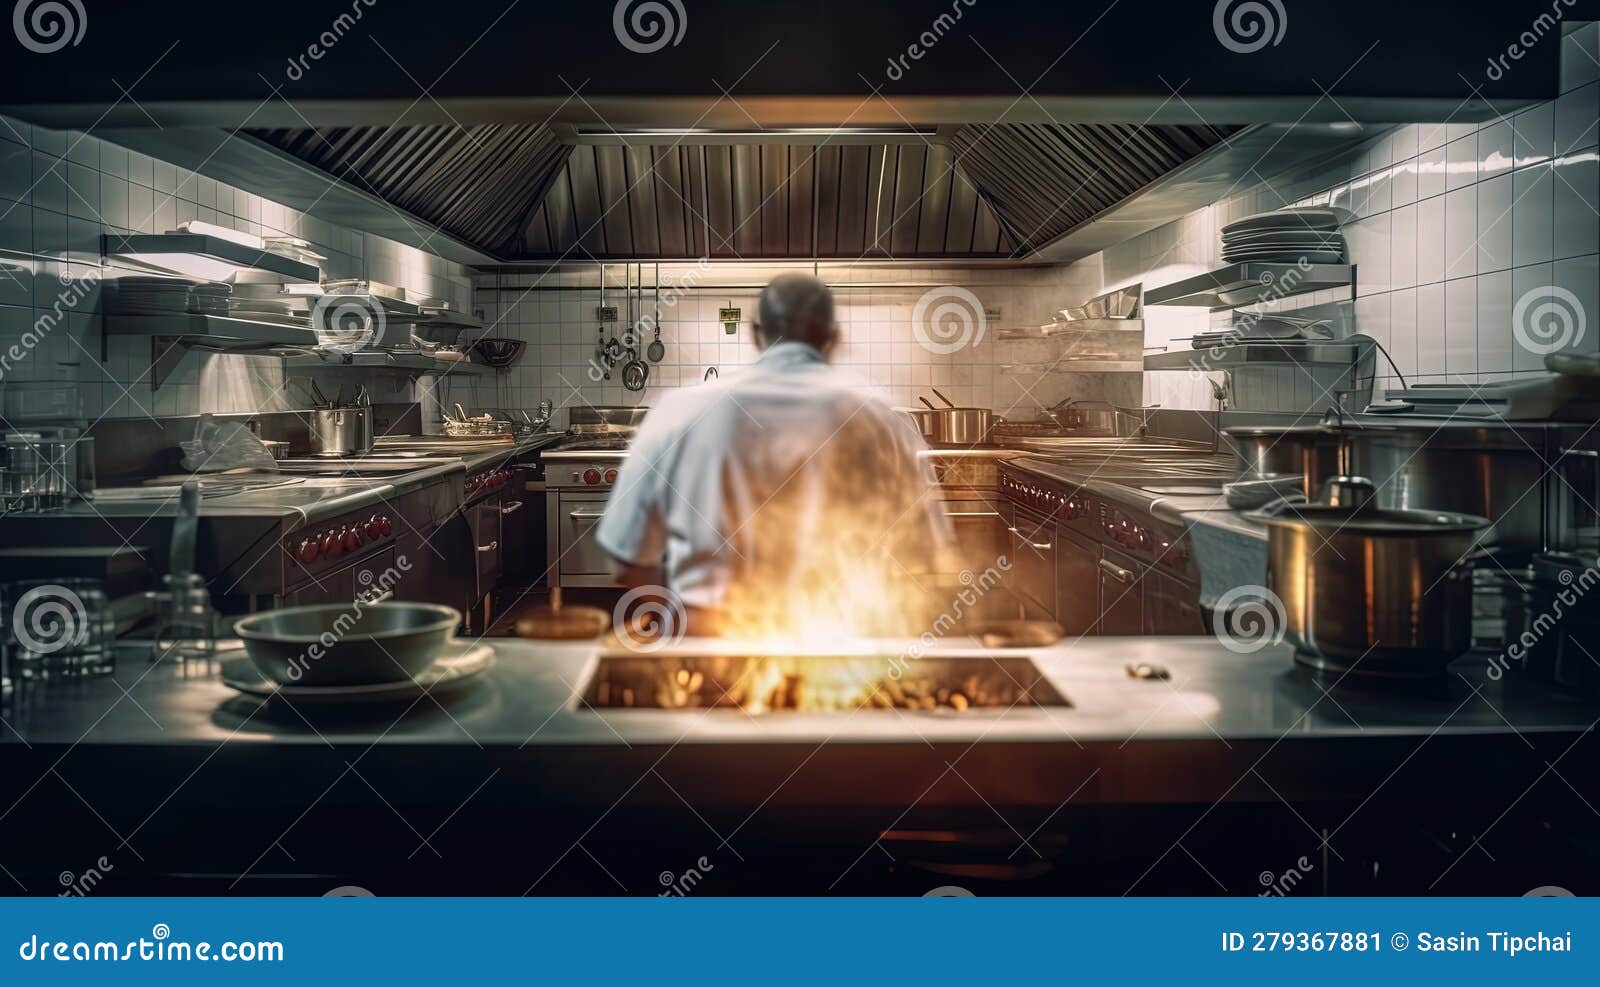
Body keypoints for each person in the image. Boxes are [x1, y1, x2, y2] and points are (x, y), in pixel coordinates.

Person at [595, 273, 952, 638]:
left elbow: (627, 557)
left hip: (712, 635)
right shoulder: (884, 417)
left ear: (754, 332)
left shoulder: (680, 410)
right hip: (839, 639)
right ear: (833, 338)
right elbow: (924, 554)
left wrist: (676, 615)